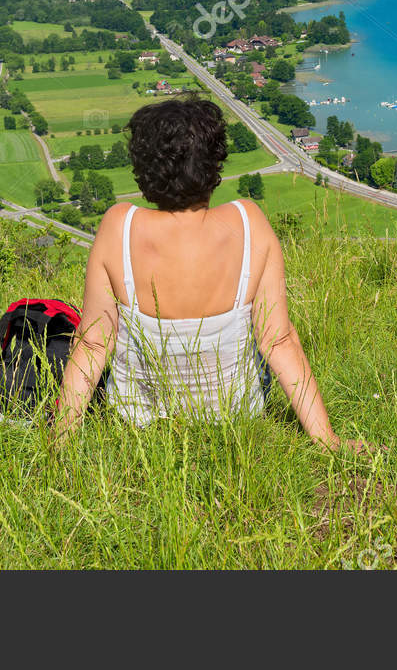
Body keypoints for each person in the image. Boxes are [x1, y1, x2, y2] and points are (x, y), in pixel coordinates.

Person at [55, 95, 362, 451]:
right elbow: (278, 341)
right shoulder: (248, 223)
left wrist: (59, 442)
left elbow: (94, 342)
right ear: (214, 163)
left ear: (144, 168)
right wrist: (327, 439)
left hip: (138, 426)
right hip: (237, 420)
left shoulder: (119, 226)